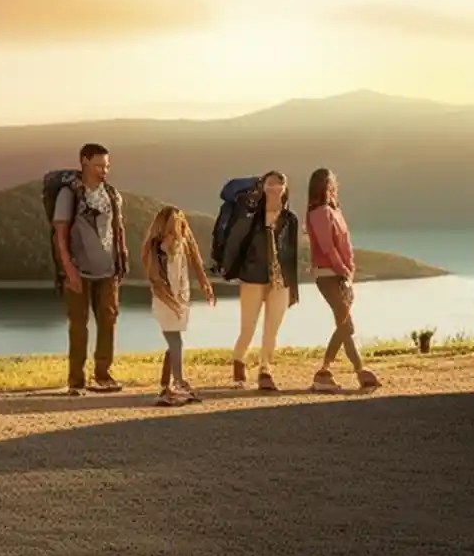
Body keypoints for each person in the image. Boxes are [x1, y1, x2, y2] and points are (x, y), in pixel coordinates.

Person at [52, 143, 129, 395]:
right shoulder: (69, 194)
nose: (104, 170)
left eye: (107, 165)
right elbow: (60, 235)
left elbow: (118, 230)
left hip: (108, 271)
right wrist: (68, 270)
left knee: (108, 321)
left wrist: (120, 260)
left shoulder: (112, 194)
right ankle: (76, 381)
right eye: (98, 165)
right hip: (78, 271)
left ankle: (103, 375)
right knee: (78, 325)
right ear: (84, 162)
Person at [305, 168, 382, 393]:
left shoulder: (334, 211)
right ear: (321, 188)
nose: (332, 188)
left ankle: (325, 373)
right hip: (328, 275)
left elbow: (344, 245)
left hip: (340, 274)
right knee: (346, 324)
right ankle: (360, 372)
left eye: (333, 184)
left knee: (344, 324)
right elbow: (328, 248)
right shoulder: (319, 212)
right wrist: (344, 271)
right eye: (328, 185)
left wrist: (349, 271)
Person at [223, 170, 300, 391]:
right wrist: (230, 270)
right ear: (263, 187)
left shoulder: (289, 219)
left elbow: (292, 256)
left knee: (271, 329)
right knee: (248, 327)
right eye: (271, 184)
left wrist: (293, 290)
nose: (275, 188)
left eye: (280, 184)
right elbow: (236, 244)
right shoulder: (251, 215)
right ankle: (239, 362)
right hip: (252, 277)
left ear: (285, 189)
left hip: (280, 281)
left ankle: (265, 370)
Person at [143, 205, 216, 406]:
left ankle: (167, 384)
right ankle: (178, 383)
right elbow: (156, 280)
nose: (175, 230)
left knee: (173, 343)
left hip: (181, 300)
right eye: (171, 225)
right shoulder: (156, 248)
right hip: (165, 301)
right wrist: (171, 302)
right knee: (176, 342)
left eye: (178, 224)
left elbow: (196, 262)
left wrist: (205, 285)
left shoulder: (184, 242)